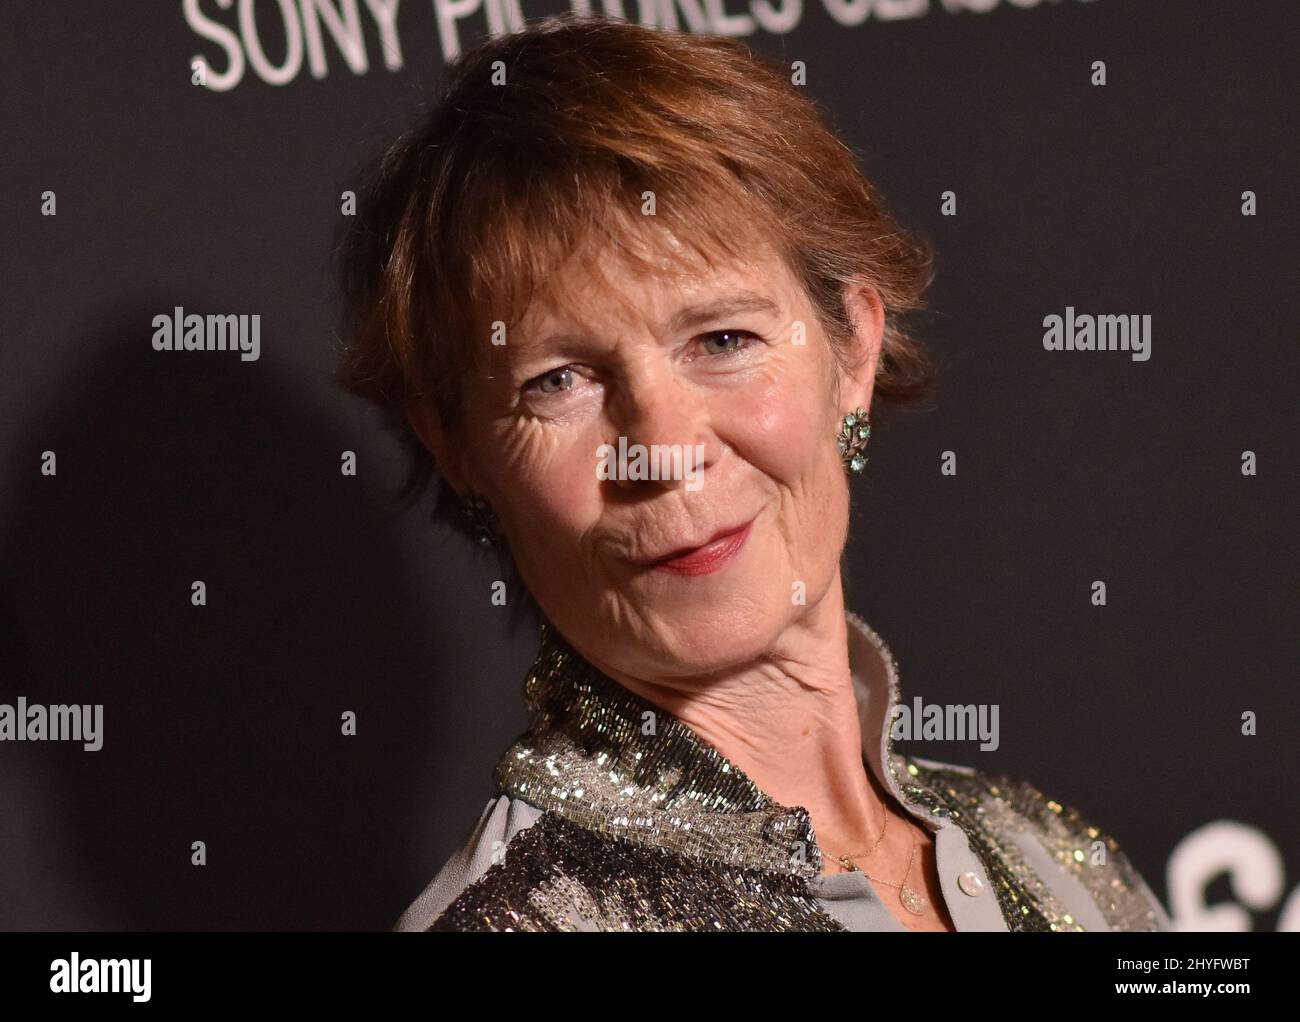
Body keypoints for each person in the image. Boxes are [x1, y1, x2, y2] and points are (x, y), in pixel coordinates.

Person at [335, 12, 1170, 932]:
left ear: (853, 346)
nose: (664, 449)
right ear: (459, 449)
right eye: (559, 380)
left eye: (723, 338)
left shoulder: (1061, 865)